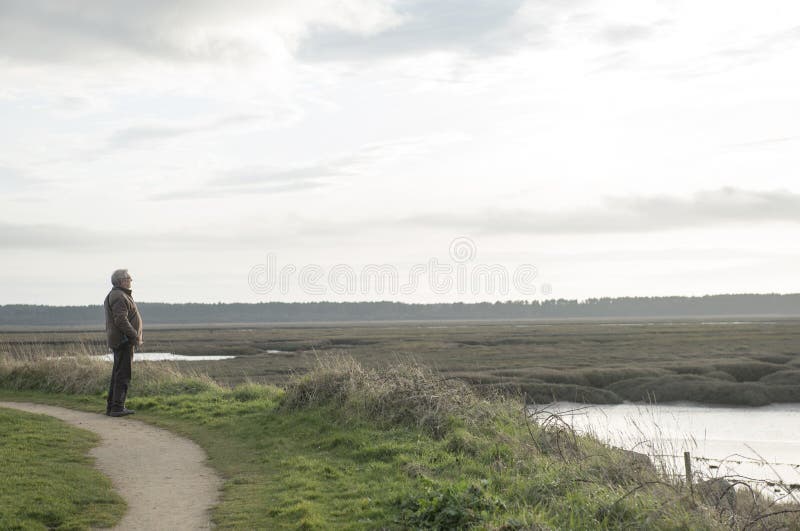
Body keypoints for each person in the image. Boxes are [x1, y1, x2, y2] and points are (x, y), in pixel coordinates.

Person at [104, 269, 143, 417]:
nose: (131, 280)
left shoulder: (118, 294)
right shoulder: (119, 296)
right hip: (124, 341)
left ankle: (112, 406)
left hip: (121, 340)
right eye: (128, 278)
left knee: (118, 373)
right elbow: (120, 320)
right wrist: (134, 335)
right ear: (121, 281)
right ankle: (118, 407)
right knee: (123, 374)